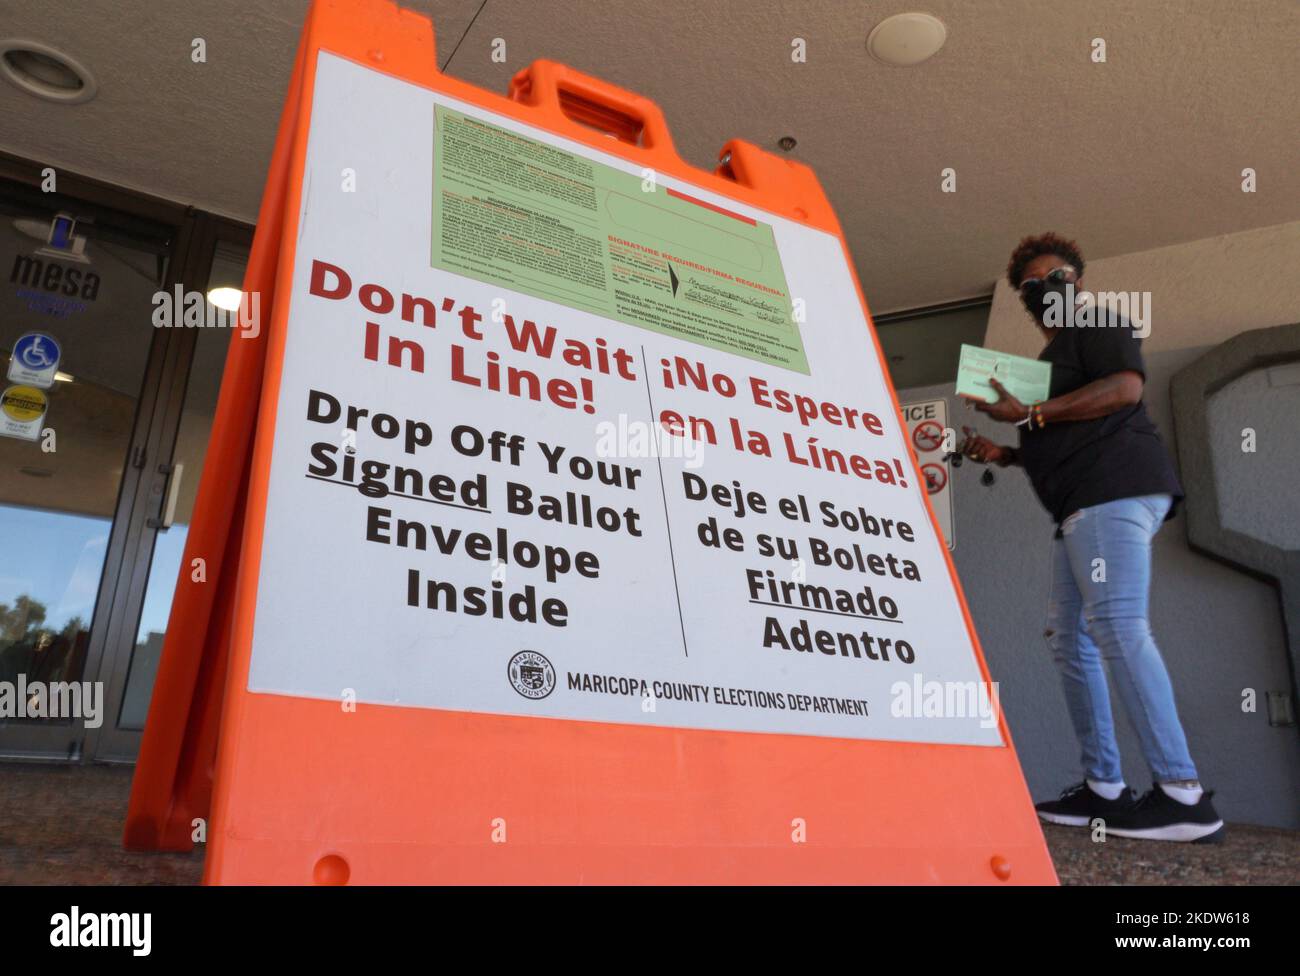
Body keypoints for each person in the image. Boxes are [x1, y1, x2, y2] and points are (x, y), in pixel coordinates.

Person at [959, 232, 1224, 843]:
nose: (1044, 289)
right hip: (1083, 505)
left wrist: (1030, 415)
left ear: (1076, 283)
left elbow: (1124, 390)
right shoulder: (1049, 366)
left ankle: (1182, 794)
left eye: (1056, 277)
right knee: (1069, 641)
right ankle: (1104, 786)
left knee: (1116, 627)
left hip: (1112, 494)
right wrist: (1004, 450)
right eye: (1030, 285)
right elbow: (1063, 436)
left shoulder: (1092, 322)